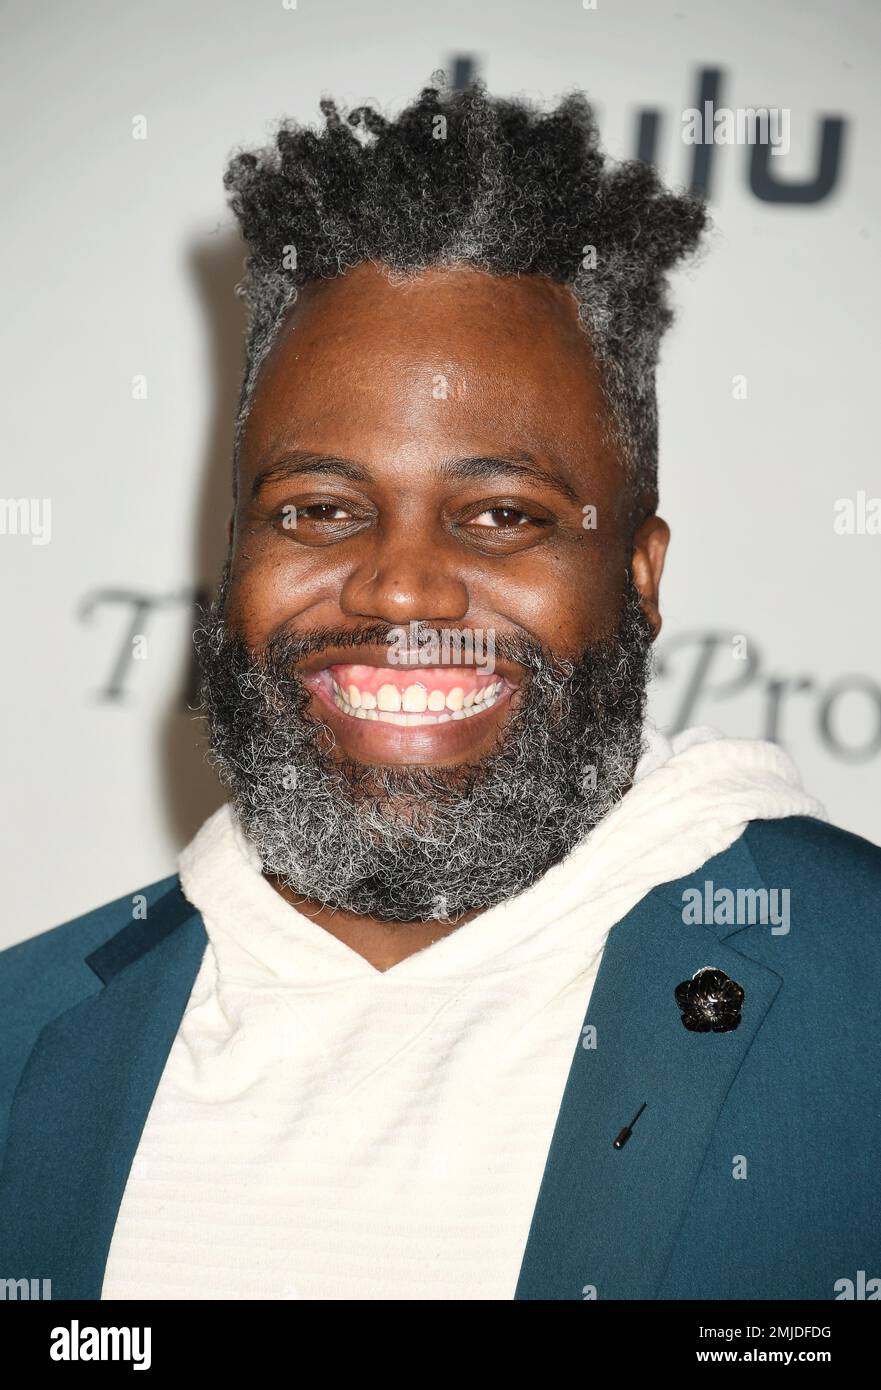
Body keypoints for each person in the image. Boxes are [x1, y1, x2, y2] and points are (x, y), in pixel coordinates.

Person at [2, 74, 879, 1302]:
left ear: (639, 574)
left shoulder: (861, 992)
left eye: (500, 515)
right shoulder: (22, 1031)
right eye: (319, 509)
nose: (399, 591)